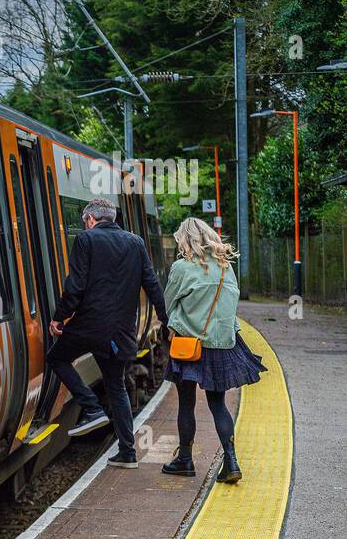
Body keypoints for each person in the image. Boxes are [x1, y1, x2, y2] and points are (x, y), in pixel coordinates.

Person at [47, 197, 167, 468]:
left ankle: (91, 407)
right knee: (117, 387)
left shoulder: (86, 240)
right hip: (122, 332)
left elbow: (74, 286)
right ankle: (128, 452)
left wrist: (59, 318)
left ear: (90, 220)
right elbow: (152, 285)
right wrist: (165, 320)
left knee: (56, 358)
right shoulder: (135, 242)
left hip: (89, 326)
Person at [160, 218, 265, 483]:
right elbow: (231, 304)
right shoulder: (225, 267)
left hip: (189, 346)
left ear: (185, 239)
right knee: (217, 403)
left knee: (186, 403)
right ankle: (231, 461)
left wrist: (176, 324)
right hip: (220, 344)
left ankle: (185, 460)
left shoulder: (182, 268)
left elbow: (168, 304)